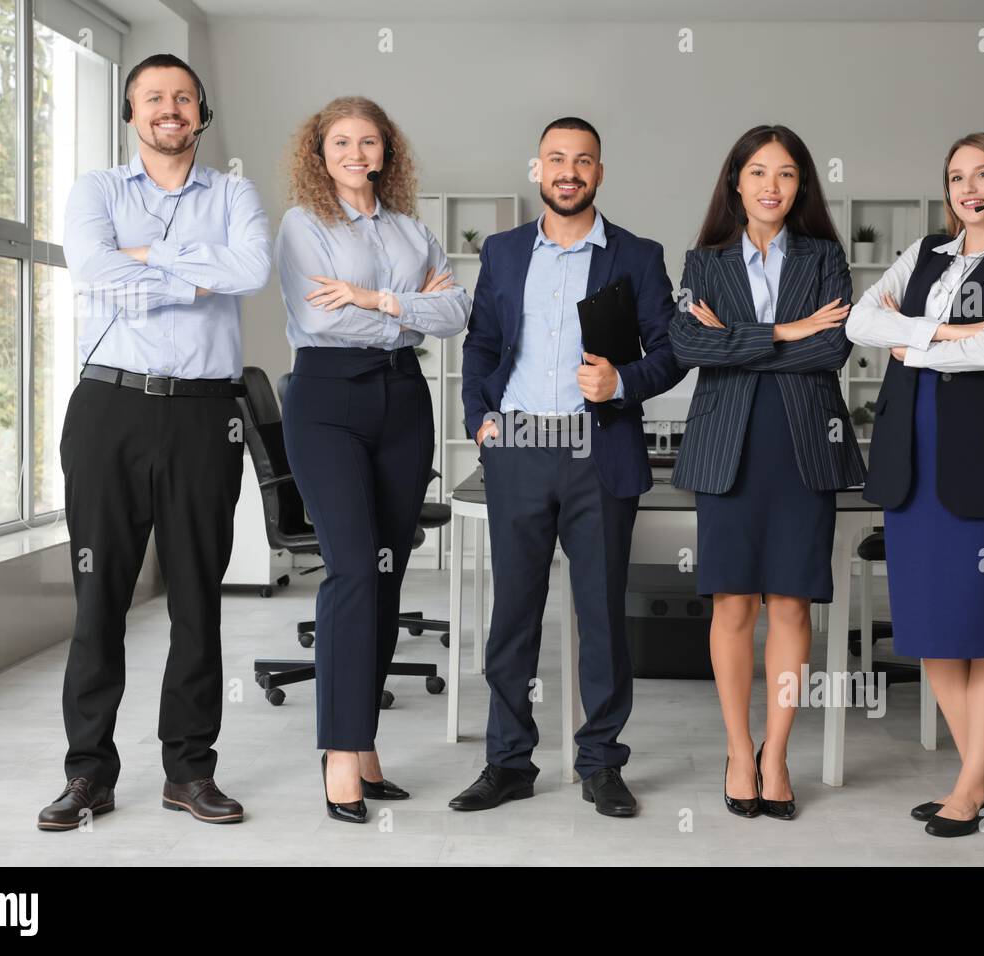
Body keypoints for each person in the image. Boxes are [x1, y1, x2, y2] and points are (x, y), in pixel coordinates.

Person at [39, 54, 271, 830]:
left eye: (182, 97)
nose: (168, 108)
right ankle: (88, 775)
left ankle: (189, 772)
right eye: (152, 98)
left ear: (200, 112)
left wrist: (147, 260)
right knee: (98, 596)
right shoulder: (96, 190)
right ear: (131, 115)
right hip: (110, 406)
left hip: (207, 414)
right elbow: (92, 270)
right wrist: (195, 272)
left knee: (197, 599)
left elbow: (252, 268)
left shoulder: (235, 191)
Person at [450, 117, 685, 818]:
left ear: (599, 173)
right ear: (538, 169)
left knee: (602, 615)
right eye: (557, 159)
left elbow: (671, 353)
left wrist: (621, 383)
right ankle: (508, 762)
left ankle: (601, 763)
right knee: (513, 617)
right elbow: (482, 344)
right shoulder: (503, 251)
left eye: (583, 161)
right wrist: (479, 420)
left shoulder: (637, 256)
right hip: (518, 445)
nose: (569, 171)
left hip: (598, 449)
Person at [845, 132, 984, 837]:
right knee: (931, 627)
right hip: (913, 458)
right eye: (957, 177)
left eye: (983, 174)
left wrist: (920, 342)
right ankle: (983, 780)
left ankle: (967, 791)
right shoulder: (927, 254)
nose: (968, 188)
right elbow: (860, 318)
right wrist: (953, 331)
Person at [277, 96, 470, 824]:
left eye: (369, 142)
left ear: (387, 151)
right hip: (327, 398)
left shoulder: (414, 230)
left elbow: (457, 314)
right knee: (354, 569)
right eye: (340, 143)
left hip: (402, 399)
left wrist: (372, 297)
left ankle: (367, 748)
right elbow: (325, 316)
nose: (356, 154)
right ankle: (338, 753)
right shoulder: (304, 225)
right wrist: (404, 303)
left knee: (390, 571)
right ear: (318, 154)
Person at [669, 125, 864, 821]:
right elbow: (688, 344)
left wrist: (738, 341)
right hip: (730, 448)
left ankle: (776, 754)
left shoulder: (823, 258)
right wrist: (786, 331)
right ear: (736, 184)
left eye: (785, 174)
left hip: (803, 443)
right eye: (758, 172)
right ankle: (738, 748)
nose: (772, 186)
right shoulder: (703, 261)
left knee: (789, 604)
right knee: (732, 604)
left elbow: (833, 350)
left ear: (800, 185)